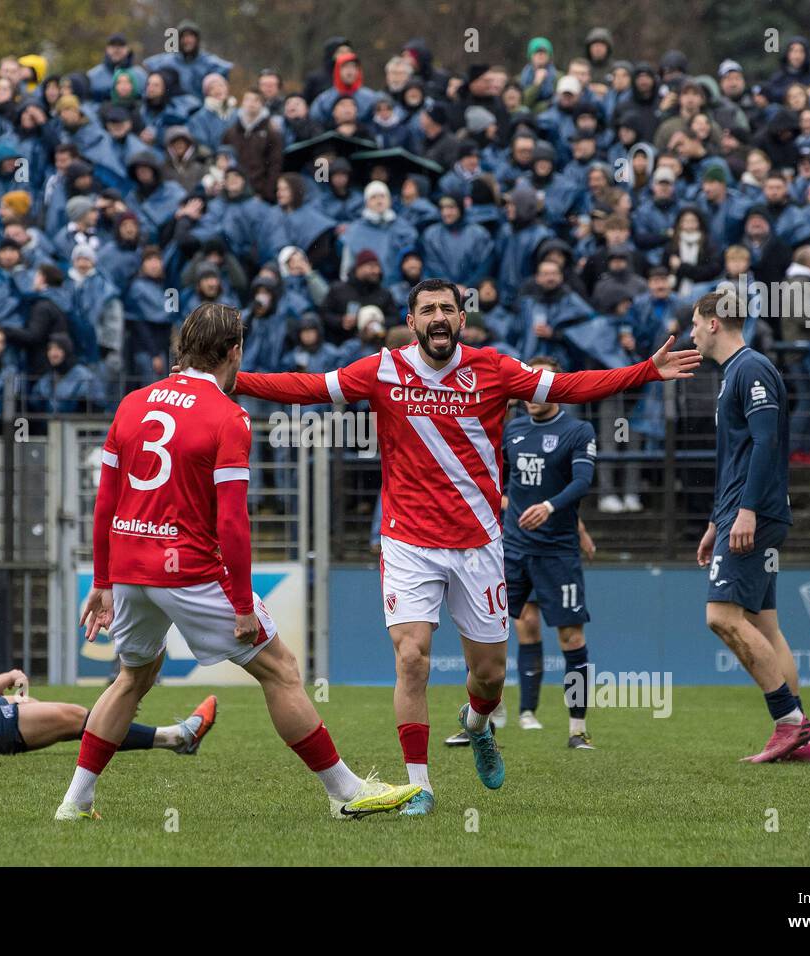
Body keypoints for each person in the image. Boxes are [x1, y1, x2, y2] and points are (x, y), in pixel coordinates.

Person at [233, 279, 701, 813]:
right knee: (412, 659)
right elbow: (308, 387)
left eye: (447, 309)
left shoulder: (496, 369)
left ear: (461, 318)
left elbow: (570, 386)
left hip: (478, 544)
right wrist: (232, 380)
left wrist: (645, 370)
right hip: (407, 541)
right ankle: (419, 786)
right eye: (428, 309)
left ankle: (477, 723)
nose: (438, 317)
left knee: (490, 673)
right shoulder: (382, 369)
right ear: (411, 322)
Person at [57, 303, 422, 821]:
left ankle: (74, 803)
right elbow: (232, 523)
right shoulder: (229, 416)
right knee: (281, 670)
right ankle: (345, 793)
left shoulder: (133, 403)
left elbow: (105, 501)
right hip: (188, 570)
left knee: (131, 678)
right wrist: (242, 604)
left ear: (182, 348)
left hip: (129, 566)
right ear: (234, 352)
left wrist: (103, 578)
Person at [449, 356, 601, 748]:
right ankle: (480, 724)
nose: (532, 394)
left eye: (541, 384)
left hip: (557, 551)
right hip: (511, 550)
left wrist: (551, 508)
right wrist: (497, 500)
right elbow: (489, 474)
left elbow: (583, 481)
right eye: (528, 386)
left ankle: (577, 728)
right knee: (487, 632)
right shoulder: (511, 429)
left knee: (570, 637)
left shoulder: (577, 430)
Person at [690, 289, 810, 764]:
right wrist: (714, 519)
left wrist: (744, 511)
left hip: (753, 514)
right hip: (740, 511)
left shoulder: (750, 368)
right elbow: (736, 456)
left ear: (714, 322)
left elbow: (765, 443)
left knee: (720, 617)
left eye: (695, 323)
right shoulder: (734, 374)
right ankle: (799, 740)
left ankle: (788, 722)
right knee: (766, 624)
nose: (692, 333)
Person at [0, 627, 217, 758]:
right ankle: (177, 738)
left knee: (33, 705)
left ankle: (141, 723)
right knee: (76, 718)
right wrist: (5, 677)